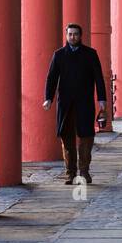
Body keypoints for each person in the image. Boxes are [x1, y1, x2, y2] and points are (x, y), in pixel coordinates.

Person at [42, 23, 106, 185]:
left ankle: (84, 172)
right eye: (70, 34)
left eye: (76, 34)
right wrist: (48, 98)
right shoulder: (59, 55)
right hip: (65, 103)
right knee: (67, 137)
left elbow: (99, 77)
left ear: (81, 36)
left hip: (85, 102)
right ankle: (70, 173)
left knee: (86, 136)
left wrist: (102, 99)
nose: (73, 37)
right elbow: (51, 78)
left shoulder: (90, 54)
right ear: (66, 35)